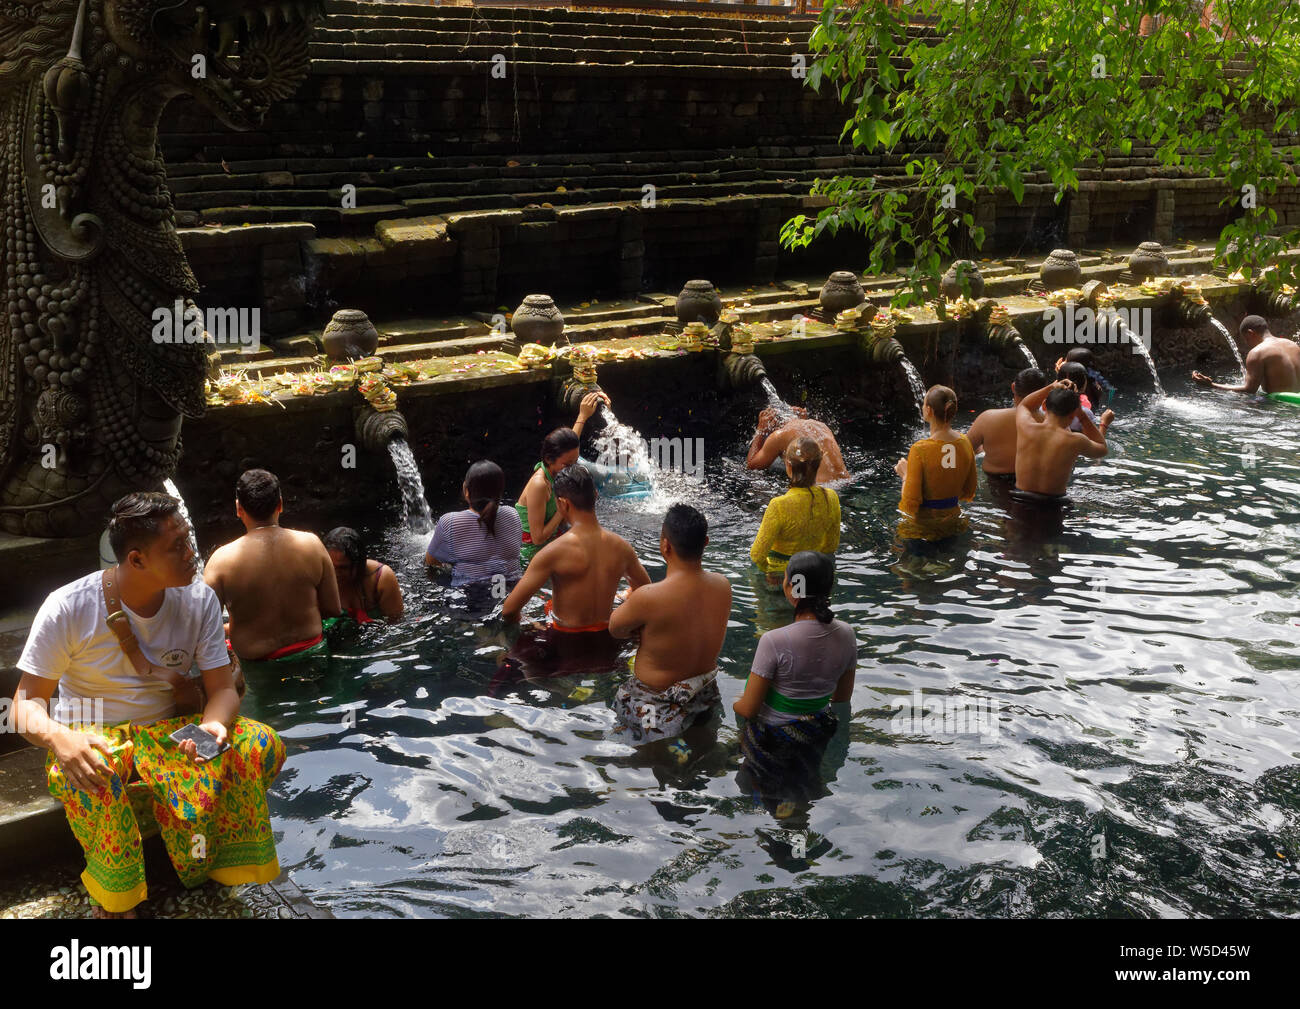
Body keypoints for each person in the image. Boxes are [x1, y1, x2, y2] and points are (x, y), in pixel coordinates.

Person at [11, 492, 285, 918]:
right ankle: (117, 897)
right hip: (95, 735)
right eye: (177, 546)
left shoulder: (199, 601)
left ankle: (217, 863)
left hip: (167, 734)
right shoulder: (67, 607)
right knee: (93, 769)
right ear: (136, 560)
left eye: (188, 539)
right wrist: (59, 739)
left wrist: (214, 726)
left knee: (258, 743)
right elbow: (24, 704)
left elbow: (223, 689)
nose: (192, 553)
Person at [498, 464, 651, 678]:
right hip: (610, 645)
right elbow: (647, 591)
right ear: (596, 495)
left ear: (562, 504)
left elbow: (509, 610)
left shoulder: (553, 552)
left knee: (505, 666)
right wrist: (624, 597)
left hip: (564, 645)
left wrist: (527, 622)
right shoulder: (622, 547)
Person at [733, 551, 856, 805]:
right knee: (801, 798)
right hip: (815, 737)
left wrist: (735, 702)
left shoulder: (774, 640)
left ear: (792, 587)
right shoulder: (847, 634)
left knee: (752, 791)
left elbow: (748, 709)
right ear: (828, 587)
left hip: (772, 741)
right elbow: (842, 699)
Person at [608, 504, 732, 745]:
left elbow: (615, 628)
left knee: (646, 748)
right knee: (697, 747)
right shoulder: (723, 586)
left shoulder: (649, 597)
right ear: (705, 542)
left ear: (665, 545)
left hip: (653, 705)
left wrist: (640, 627)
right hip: (703, 696)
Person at [204, 469, 341, 662]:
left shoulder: (220, 561)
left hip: (258, 667)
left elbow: (206, 629)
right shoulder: (312, 545)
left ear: (238, 508)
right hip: (313, 653)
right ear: (280, 504)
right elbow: (333, 609)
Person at [516, 391, 609, 563]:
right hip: (534, 555)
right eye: (567, 465)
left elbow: (571, 443)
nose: (572, 468)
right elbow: (537, 538)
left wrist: (583, 415)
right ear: (549, 460)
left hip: (558, 539)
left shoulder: (560, 467)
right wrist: (563, 508)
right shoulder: (540, 485)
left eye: (575, 462)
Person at [750, 437, 842, 585]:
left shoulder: (778, 505)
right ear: (819, 463)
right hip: (813, 576)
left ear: (788, 464)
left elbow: (757, 555)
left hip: (781, 579)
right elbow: (831, 546)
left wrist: (769, 571)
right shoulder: (831, 497)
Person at [426, 460, 523, 594]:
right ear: (500, 491)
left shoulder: (450, 522)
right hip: (513, 591)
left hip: (471, 595)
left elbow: (431, 561)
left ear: (467, 491)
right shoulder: (512, 514)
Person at [893, 385, 978, 539]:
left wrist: (905, 475)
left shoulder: (920, 449)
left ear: (929, 411)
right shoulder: (965, 442)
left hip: (924, 530)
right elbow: (969, 488)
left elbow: (910, 503)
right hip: (954, 523)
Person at [1013, 378, 1112, 502]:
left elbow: (1024, 405)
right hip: (1053, 504)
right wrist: (1082, 416)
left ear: (1044, 406)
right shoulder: (1075, 440)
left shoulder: (1026, 427)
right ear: (1073, 415)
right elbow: (1102, 449)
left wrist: (1052, 386)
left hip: (1019, 500)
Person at [965, 367, 1049, 480]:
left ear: (1013, 387)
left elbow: (963, 451)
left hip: (996, 483)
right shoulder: (1052, 423)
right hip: (1036, 484)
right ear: (1045, 394)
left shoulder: (988, 418)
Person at [1193, 315, 1300, 395]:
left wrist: (1211, 385)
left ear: (1250, 333)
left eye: (1246, 339)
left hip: (1282, 406)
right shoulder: (1293, 345)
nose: (1247, 344)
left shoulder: (1258, 353)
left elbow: (1249, 390)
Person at [745, 405, 849, 483]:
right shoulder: (821, 426)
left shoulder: (779, 435)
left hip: (819, 488)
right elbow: (807, 446)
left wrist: (761, 430)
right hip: (845, 484)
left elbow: (752, 466)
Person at [322, 526, 403, 625]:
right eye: (330, 566)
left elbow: (396, 622)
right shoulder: (318, 576)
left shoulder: (381, 578)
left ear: (359, 565)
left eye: (343, 568)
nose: (335, 573)